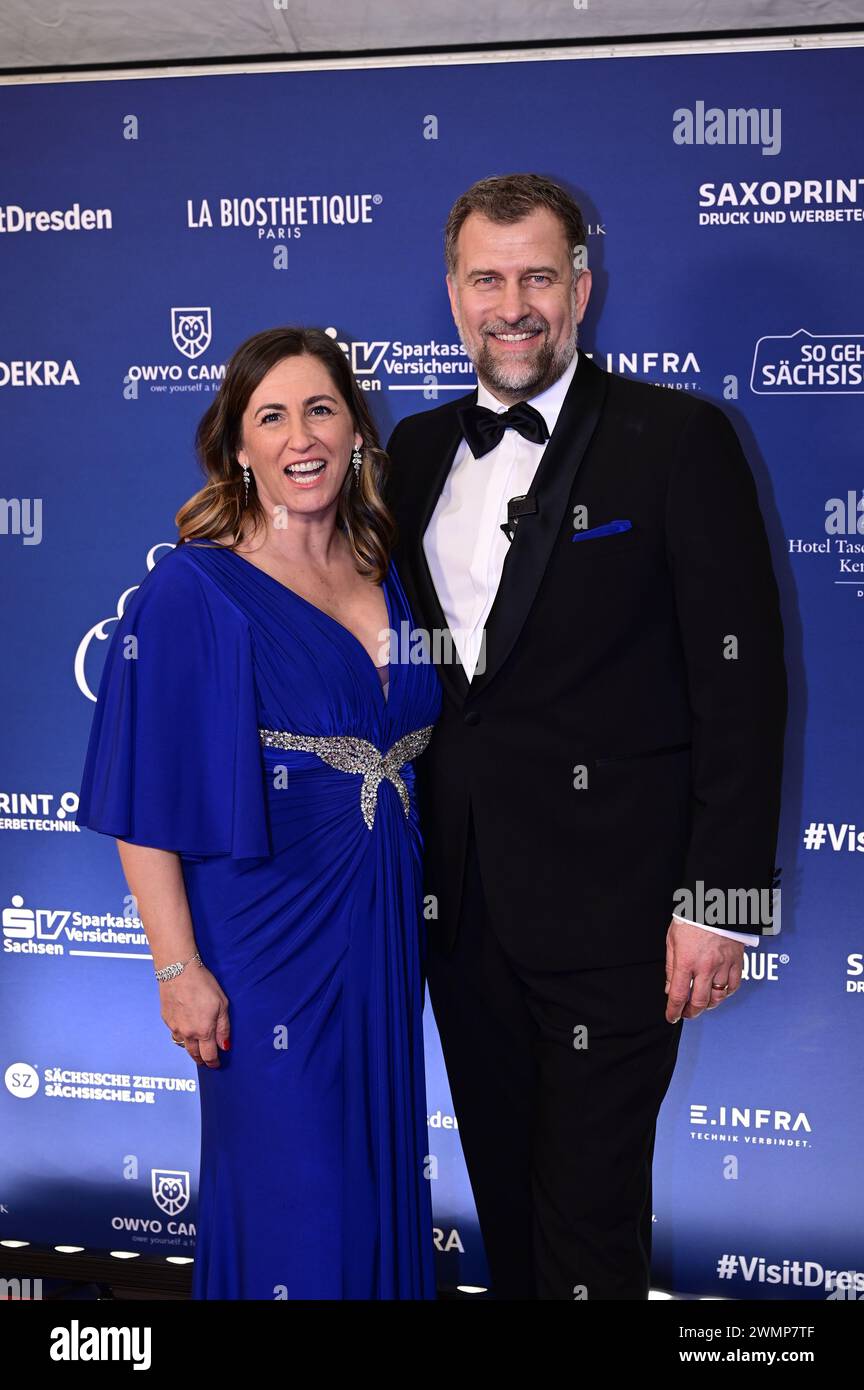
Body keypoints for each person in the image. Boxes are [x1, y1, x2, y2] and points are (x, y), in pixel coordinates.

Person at [385, 173, 787, 1300]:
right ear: (454, 293)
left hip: (620, 920)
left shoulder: (679, 439)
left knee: (591, 1215)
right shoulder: (412, 453)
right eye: (487, 278)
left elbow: (745, 687)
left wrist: (725, 905)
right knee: (506, 1202)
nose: (513, 304)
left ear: (582, 288)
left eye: (537, 277)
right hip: (458, 914)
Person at [76, 326, 442, 1299]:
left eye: (321, 408)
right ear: (237, 446)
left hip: (380, 923)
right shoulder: (195, 588)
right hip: (265, 941)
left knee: (374, 1176)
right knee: (300, 1189)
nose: (299, 435)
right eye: (270, 416)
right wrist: (179, 969)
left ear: (357, 430)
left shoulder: (383, 565)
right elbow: (144, 805)